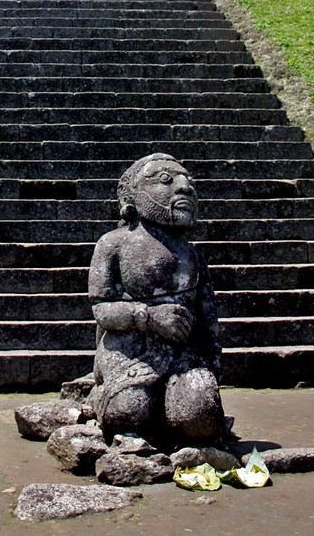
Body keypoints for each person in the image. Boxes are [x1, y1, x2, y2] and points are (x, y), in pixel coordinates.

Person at [87, 153, 225, 447]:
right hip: (129, 348)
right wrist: (147, 317)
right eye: (166, 179)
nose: (184, 187)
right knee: (129, 411)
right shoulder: (113, 244)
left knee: (201, 415)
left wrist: (212, 360)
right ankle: (99, 396)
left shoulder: (192, 254)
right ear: (133, 195)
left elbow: (207, 314)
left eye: (188, 182)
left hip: (182, 350)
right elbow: (101, 309)